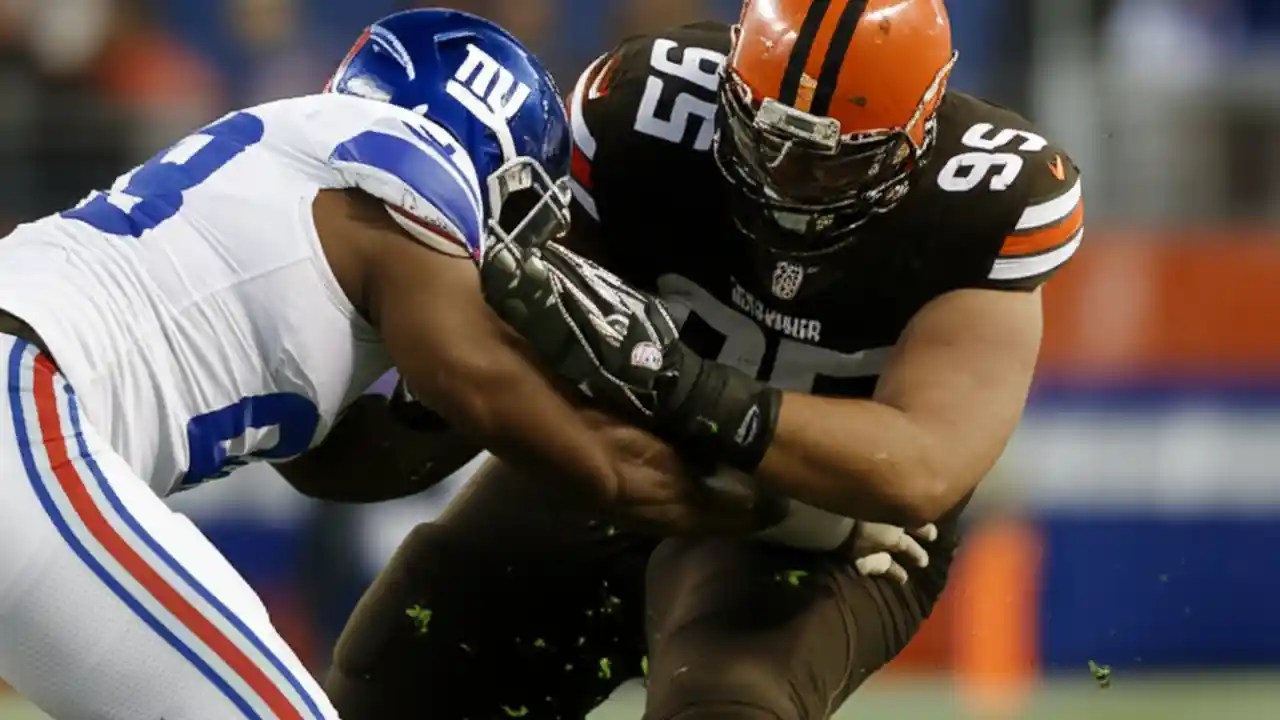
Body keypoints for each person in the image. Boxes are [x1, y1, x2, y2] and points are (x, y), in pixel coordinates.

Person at [325, 1, 1085, 718]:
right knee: (398, 668)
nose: (785, 178)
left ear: (918, 132)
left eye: (831, 162)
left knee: (728, 700)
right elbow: (523, 335)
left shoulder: (988, 196)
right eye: (763, 137)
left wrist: (683, 385)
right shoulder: (643, 110)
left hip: (833, 514)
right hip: (623, 447)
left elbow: (918, 467)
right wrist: (424, 416)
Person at [0, 9, 767, 719]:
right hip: (22, 403)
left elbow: (345, 462)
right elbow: (584, 459)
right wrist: (779, 507)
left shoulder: (300, 177)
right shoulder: (409, 167)